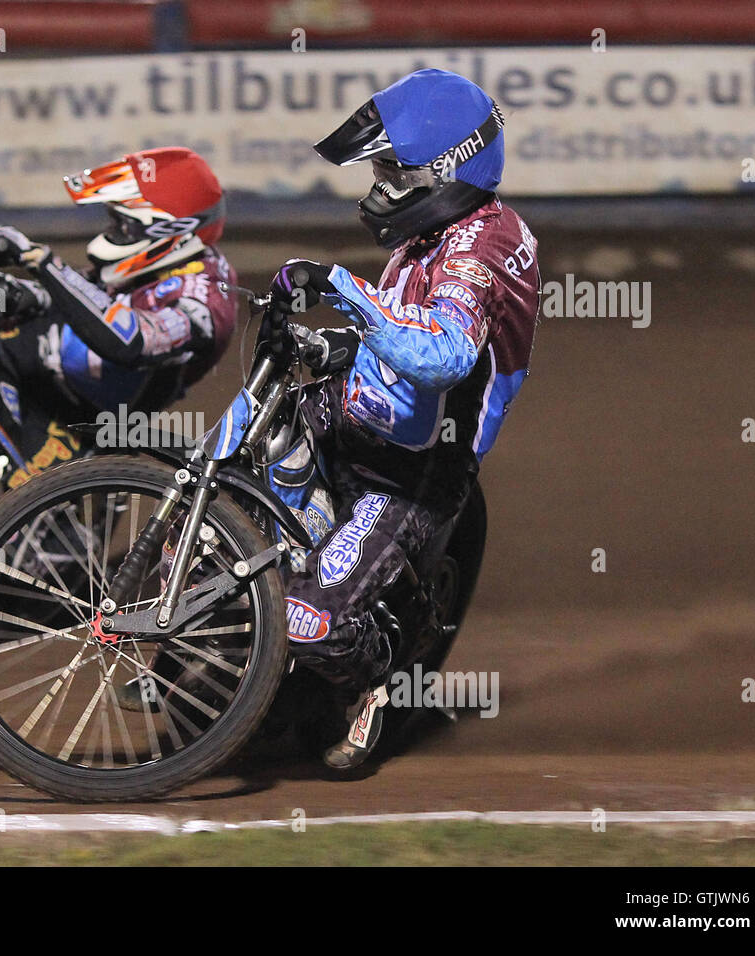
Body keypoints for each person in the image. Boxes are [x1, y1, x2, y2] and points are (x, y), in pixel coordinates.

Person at [268, 69, 542, 769]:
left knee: (310, 622)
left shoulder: (481, 248)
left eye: (393, 169)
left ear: (443, 168)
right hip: (366, 416)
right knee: (255, 429)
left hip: (417, 468)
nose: (381, 185)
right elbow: (395, 334)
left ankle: (374, 682)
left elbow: (444, 355)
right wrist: (330, 343)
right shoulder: (433, 231)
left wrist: (339, 286)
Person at [0, 147, 238, 488]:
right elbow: (86, 294)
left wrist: (41, 262)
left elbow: (133, 341)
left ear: (170, 233)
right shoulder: (160, 264)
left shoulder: (203, 300)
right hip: (44, 386)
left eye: (124, 227)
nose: (112, 235)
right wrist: (28, 293)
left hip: (82, 428)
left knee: (33, 541)